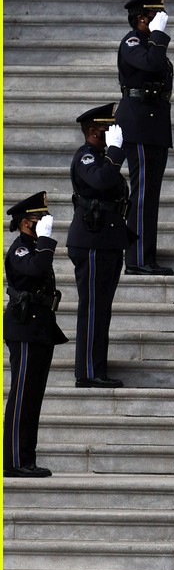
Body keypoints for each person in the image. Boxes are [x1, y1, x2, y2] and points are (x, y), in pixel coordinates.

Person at [67, 103, 132, 388]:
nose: (114, 132)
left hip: (105, 240)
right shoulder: (86, 158)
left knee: (101, 308)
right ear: (94, 131)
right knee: (93, 307)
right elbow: (103, 181)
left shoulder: (101, 158)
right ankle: (89, 373)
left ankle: (96, 368)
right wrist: (116, 152)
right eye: (108, 129)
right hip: (92, 242)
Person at [4, 192, 68, 477]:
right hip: (24, 325)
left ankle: (25, 458)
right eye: (39, 218)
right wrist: (45, 241)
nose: (44, 221)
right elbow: (37, 268)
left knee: (34, 396)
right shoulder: (21, 249)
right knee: (22, 396)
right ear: (25, 223)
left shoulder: (33, 246)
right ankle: (14, 461)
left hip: (39, 325)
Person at [117, 0, 174, 275]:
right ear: (142, 18)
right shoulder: (133, 41)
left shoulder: (147, 43)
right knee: (142, 194)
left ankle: (145, 255)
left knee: (150, 194)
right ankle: (138, 259)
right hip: (139, 124)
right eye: (154, 15)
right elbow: (151, 64)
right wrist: (159, 36)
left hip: (152, 124)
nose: (160, 19)